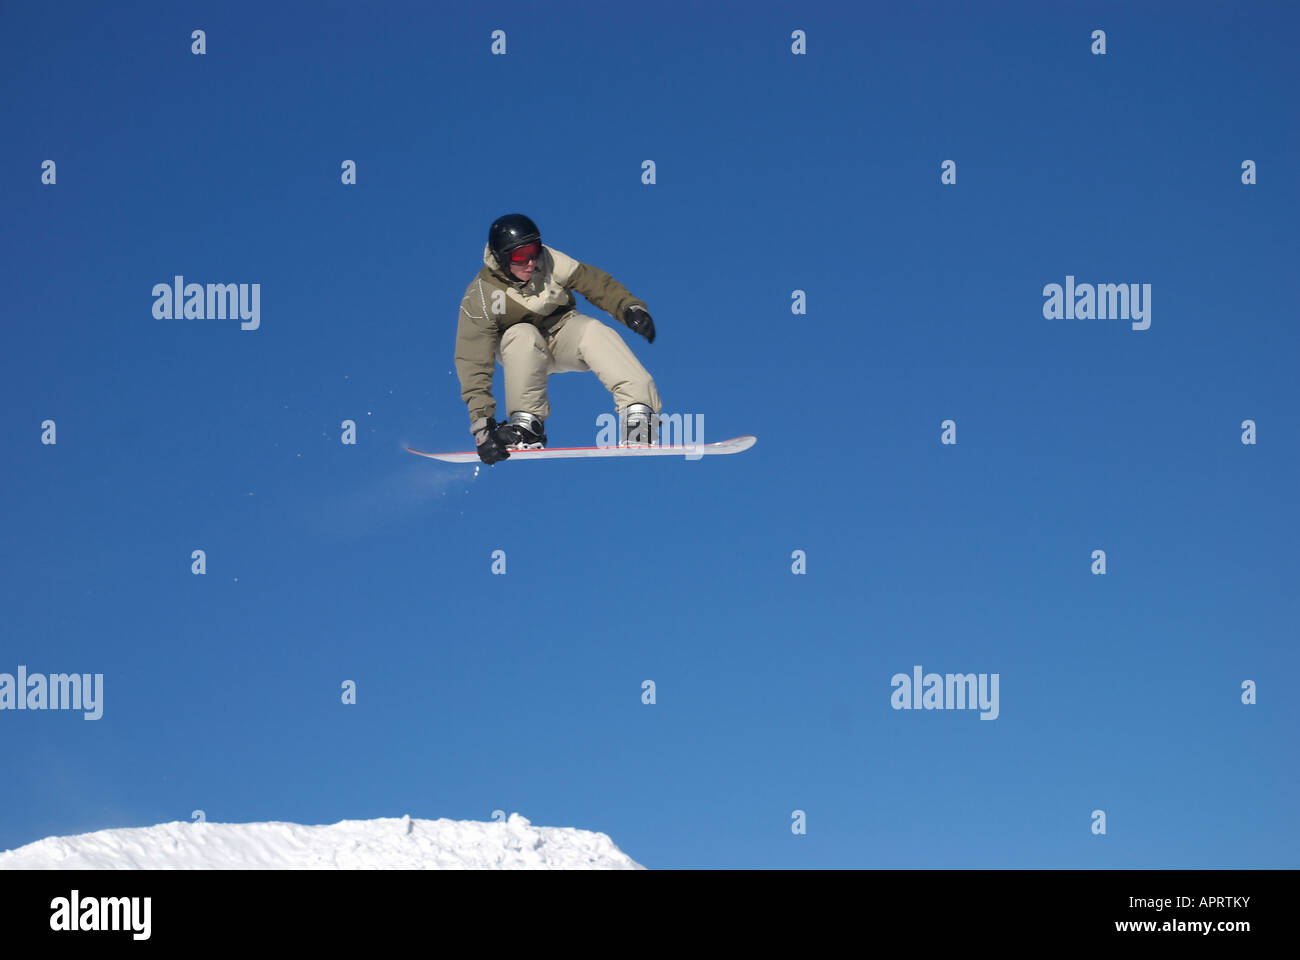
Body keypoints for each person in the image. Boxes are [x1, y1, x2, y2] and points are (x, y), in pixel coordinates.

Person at [454, 214, 662, 464]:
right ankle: (526, 426)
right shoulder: (482, 296)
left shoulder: (550, 261)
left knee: (593, 330)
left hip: (562, 335)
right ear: (501, 258)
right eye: (520, 257)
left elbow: (594, 282)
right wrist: (483, 430)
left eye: (534, 251)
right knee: (523, 335)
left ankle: (638, 417)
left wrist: (629, 308)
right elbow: (473, 363)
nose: (531, 262)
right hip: (521, 352)